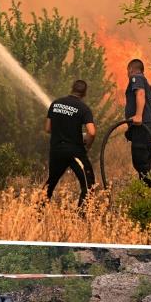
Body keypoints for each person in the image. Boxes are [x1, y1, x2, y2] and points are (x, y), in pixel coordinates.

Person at [45, 79, 96, 208]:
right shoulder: (84, 109)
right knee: (88, 183)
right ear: (84, 93)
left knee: (51, 183)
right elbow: (92, 132)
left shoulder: (56, 103)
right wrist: (87, 146)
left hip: (56, 150)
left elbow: (48, 128)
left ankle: (37, 212)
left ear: (71, 88)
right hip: (75, 152)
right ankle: (81, 215)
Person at [124, 59, 151, 185]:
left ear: (130, 69)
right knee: (146, 165)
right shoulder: (148, 85)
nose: (128, 74)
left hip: (143, 128)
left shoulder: (137, 77)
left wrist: (138, 116)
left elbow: (139, 93)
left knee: (140, 163)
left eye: (127, 71)